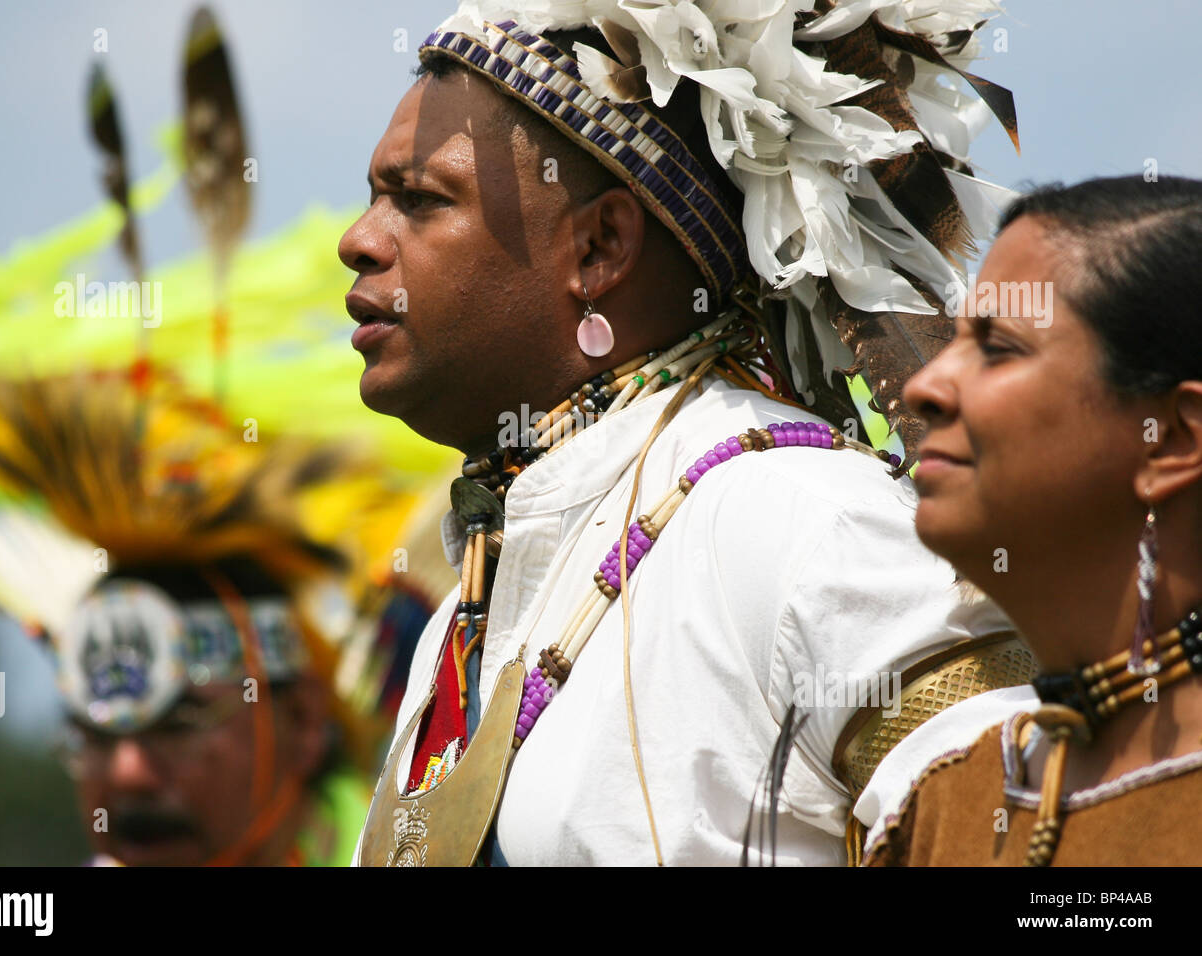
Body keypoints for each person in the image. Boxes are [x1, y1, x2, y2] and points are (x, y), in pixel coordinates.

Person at [343, 1, 1033, 866]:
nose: (359, 240)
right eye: (373, 198)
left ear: (598, 249)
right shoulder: (463, 617)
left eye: (418, 200)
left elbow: (1047, 853)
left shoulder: (803, 520)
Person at [865, 175, 1202, 866]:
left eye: (998, 349)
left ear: (1168, 441)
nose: (923, 386)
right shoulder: (943, 810)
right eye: (953, 342)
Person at [0, 374, 403, 866]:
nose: (128, 773)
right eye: (94, 736)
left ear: (304, 721)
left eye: (180, 724)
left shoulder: (426, 850)